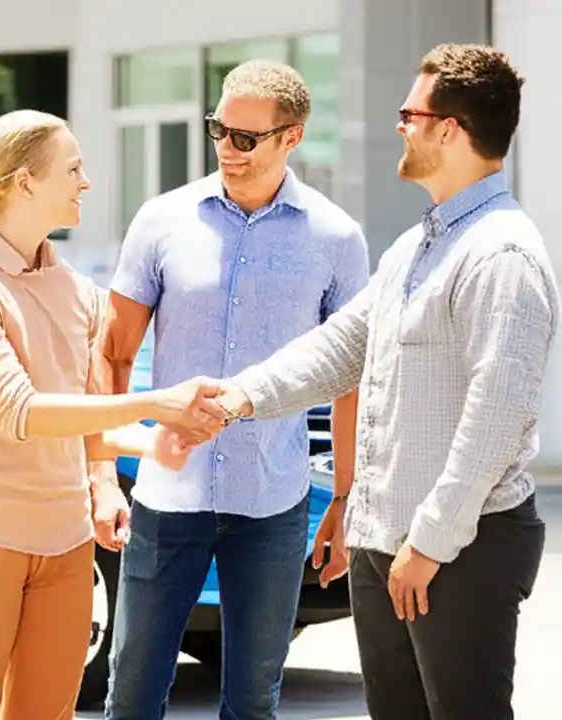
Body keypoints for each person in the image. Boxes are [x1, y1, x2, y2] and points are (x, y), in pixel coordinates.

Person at [208, 43, 555, 719]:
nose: (400, 125)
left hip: (460, 548)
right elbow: (342, 347)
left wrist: (429, 541)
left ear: (449, 129)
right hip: (386, 542)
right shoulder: (418, 245)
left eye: (410, 113)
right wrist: (241, 396)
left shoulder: (502, 253)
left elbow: (496, 413)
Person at [0, 109, 223, 720]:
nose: (86, 182)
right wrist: (151, 403)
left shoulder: (79, 292)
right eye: (74, 169)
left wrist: (144, 449)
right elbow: (21, 412)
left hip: (67, 547)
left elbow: (86, 419)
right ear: (24, 182)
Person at [97, 59, 370, 719]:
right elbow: (112, 351)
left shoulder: (336, 239)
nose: (227, 148)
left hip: (272, 502)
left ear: (292, 138)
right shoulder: (163, 221)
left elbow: (351, 374)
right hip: (167, 496)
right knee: (131, 695)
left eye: (246, 138)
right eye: (219, 129)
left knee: (253, 703)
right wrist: (103, 475)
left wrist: (343, 495)